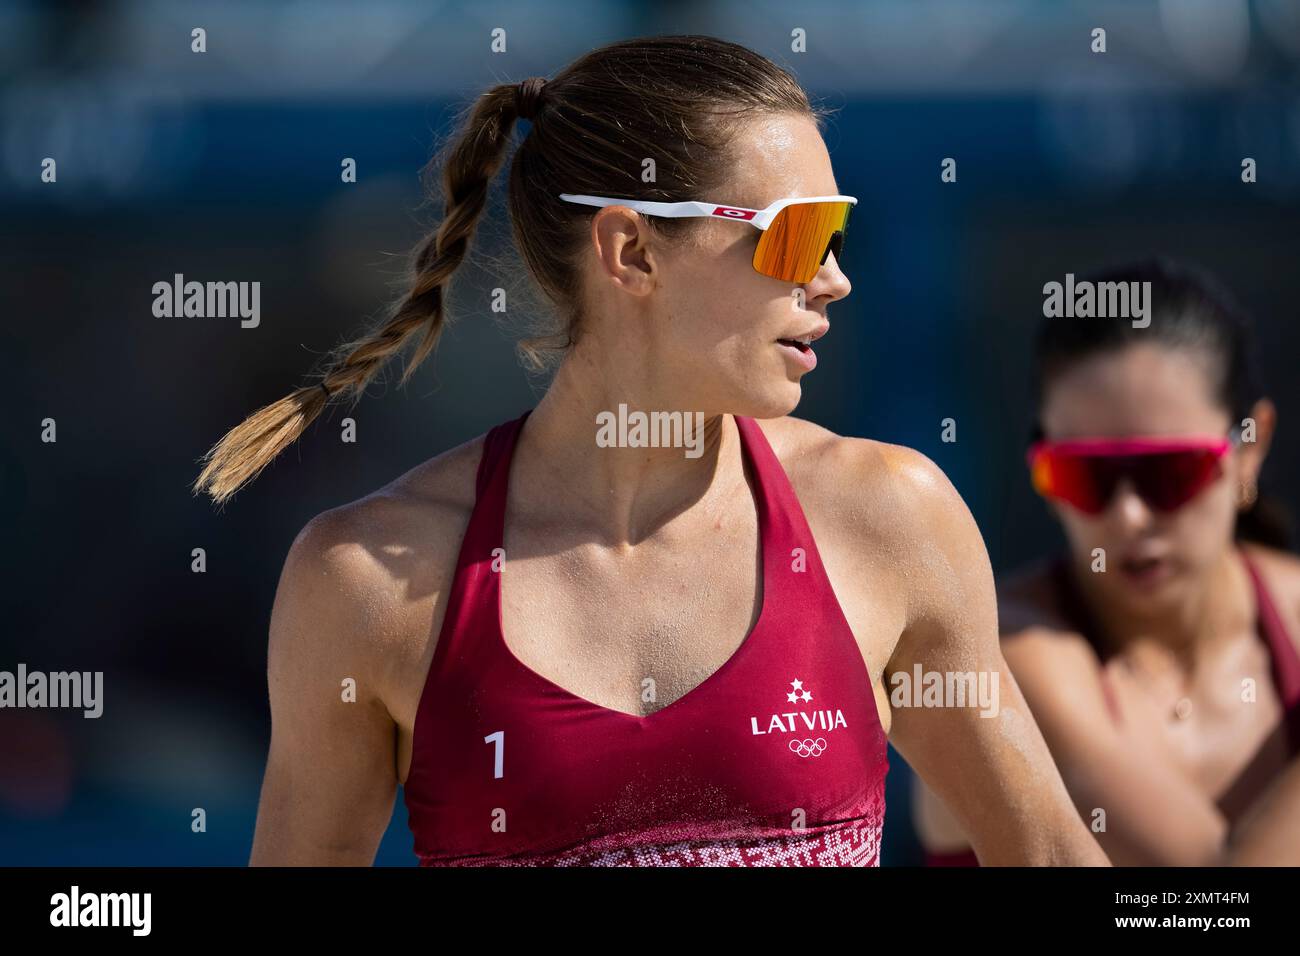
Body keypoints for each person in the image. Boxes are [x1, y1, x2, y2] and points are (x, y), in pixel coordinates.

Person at [194, 35, 1105, 866]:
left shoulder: (887, 514)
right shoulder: (364, 581)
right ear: (630, 249)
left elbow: (1054, 857)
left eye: (837, 230)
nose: (834, 277)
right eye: (793, 235)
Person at [915, 258, 1300, 866]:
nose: (1128, 518)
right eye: (1085, 475)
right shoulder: (1008, 659)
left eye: (1169, 473)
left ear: (1250, 450)